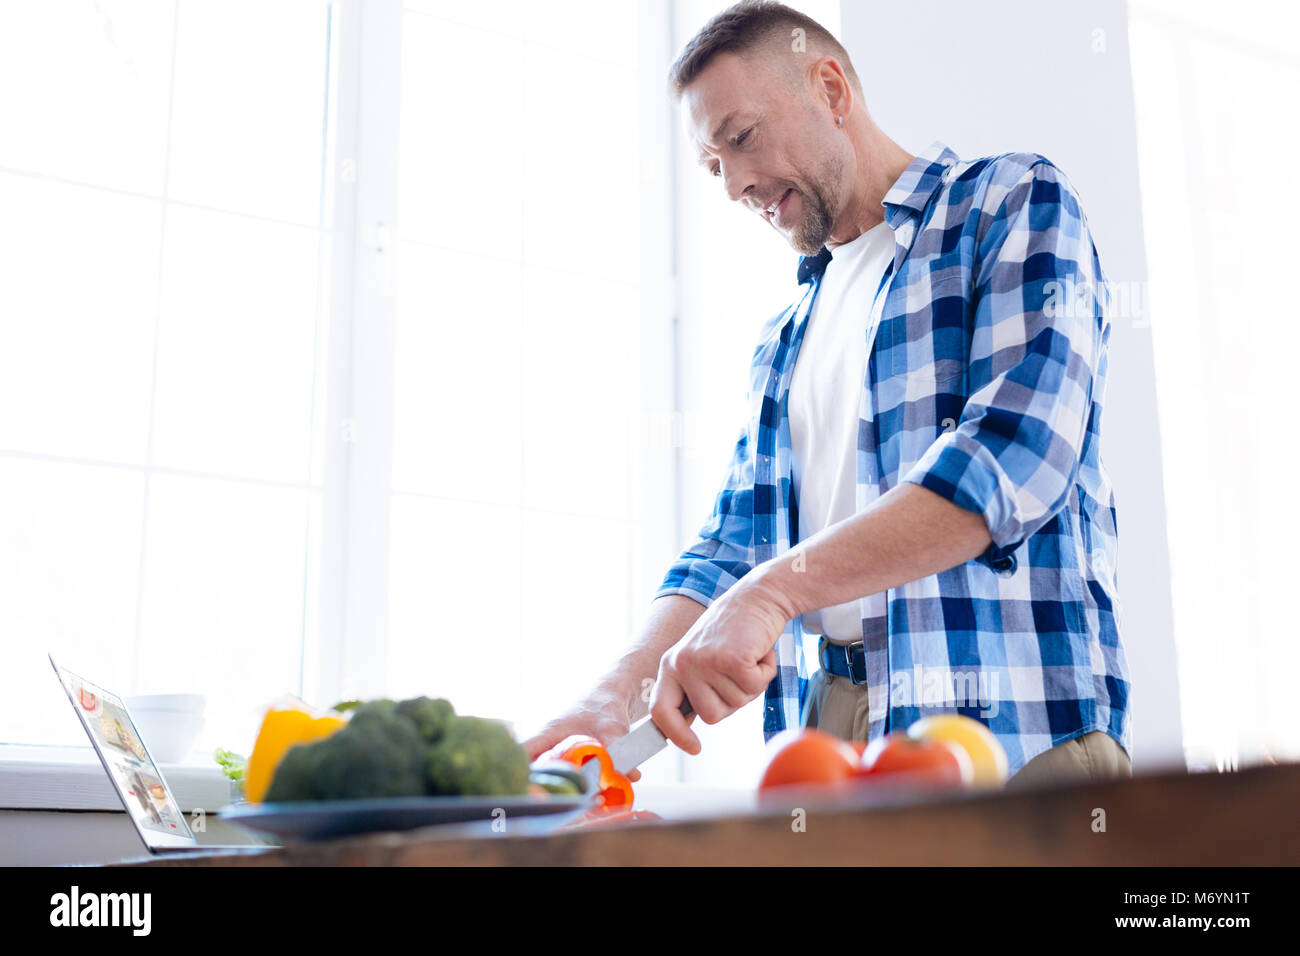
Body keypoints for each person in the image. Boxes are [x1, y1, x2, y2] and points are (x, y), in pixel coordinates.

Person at [524, 0, 1131, 789]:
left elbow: (1014, 458)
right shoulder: (785, 337)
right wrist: (615, 697)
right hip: (838, 740)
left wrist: (773, 593)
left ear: (832, 89)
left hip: (1018, 735)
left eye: (741, 138)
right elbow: (733, 544)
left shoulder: (1009, 204)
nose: (735, 182)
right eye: (713, 166)